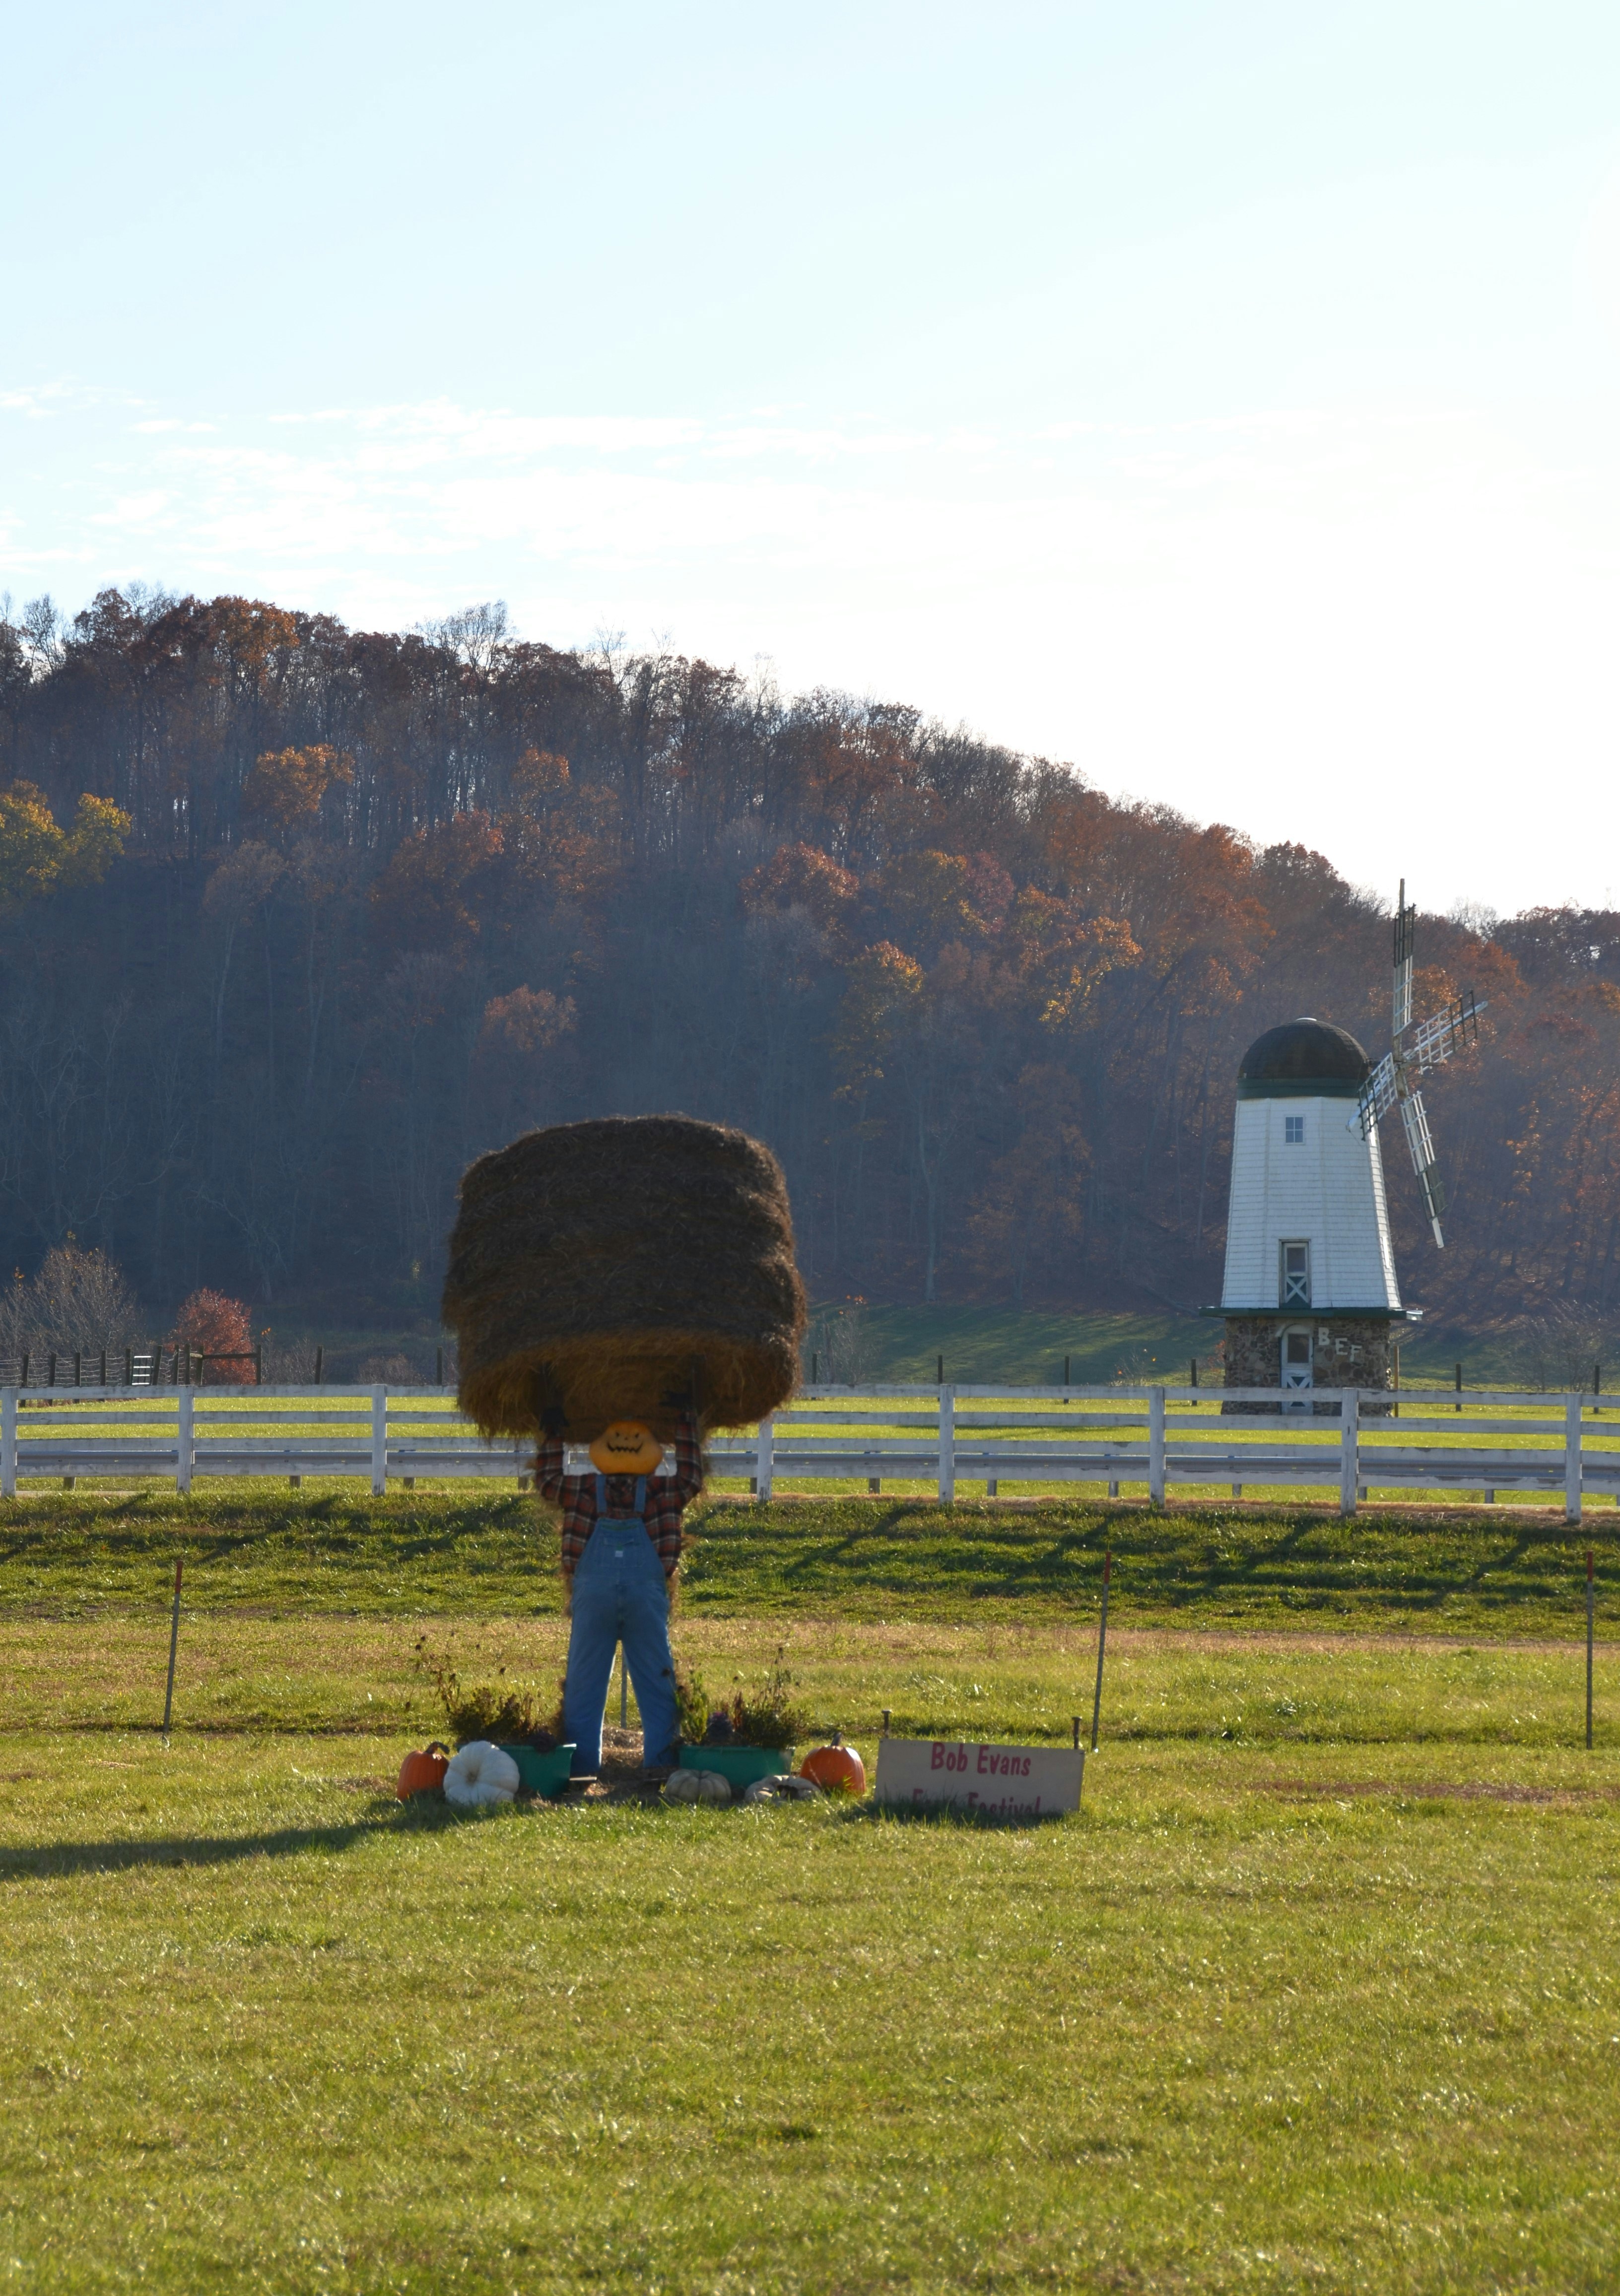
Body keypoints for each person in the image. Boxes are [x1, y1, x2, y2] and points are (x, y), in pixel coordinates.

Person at [534, 1409, 704, 1775]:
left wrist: (553, 1427)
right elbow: (691, 1476)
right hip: (646, 1600)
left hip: (593, 1599)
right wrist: (686, 1422)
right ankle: (660, 1767)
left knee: (584, 1685)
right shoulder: (664, 1490)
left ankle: (580, 1770)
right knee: (659, 1685)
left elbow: (547, 1479)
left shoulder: (580, 1487)